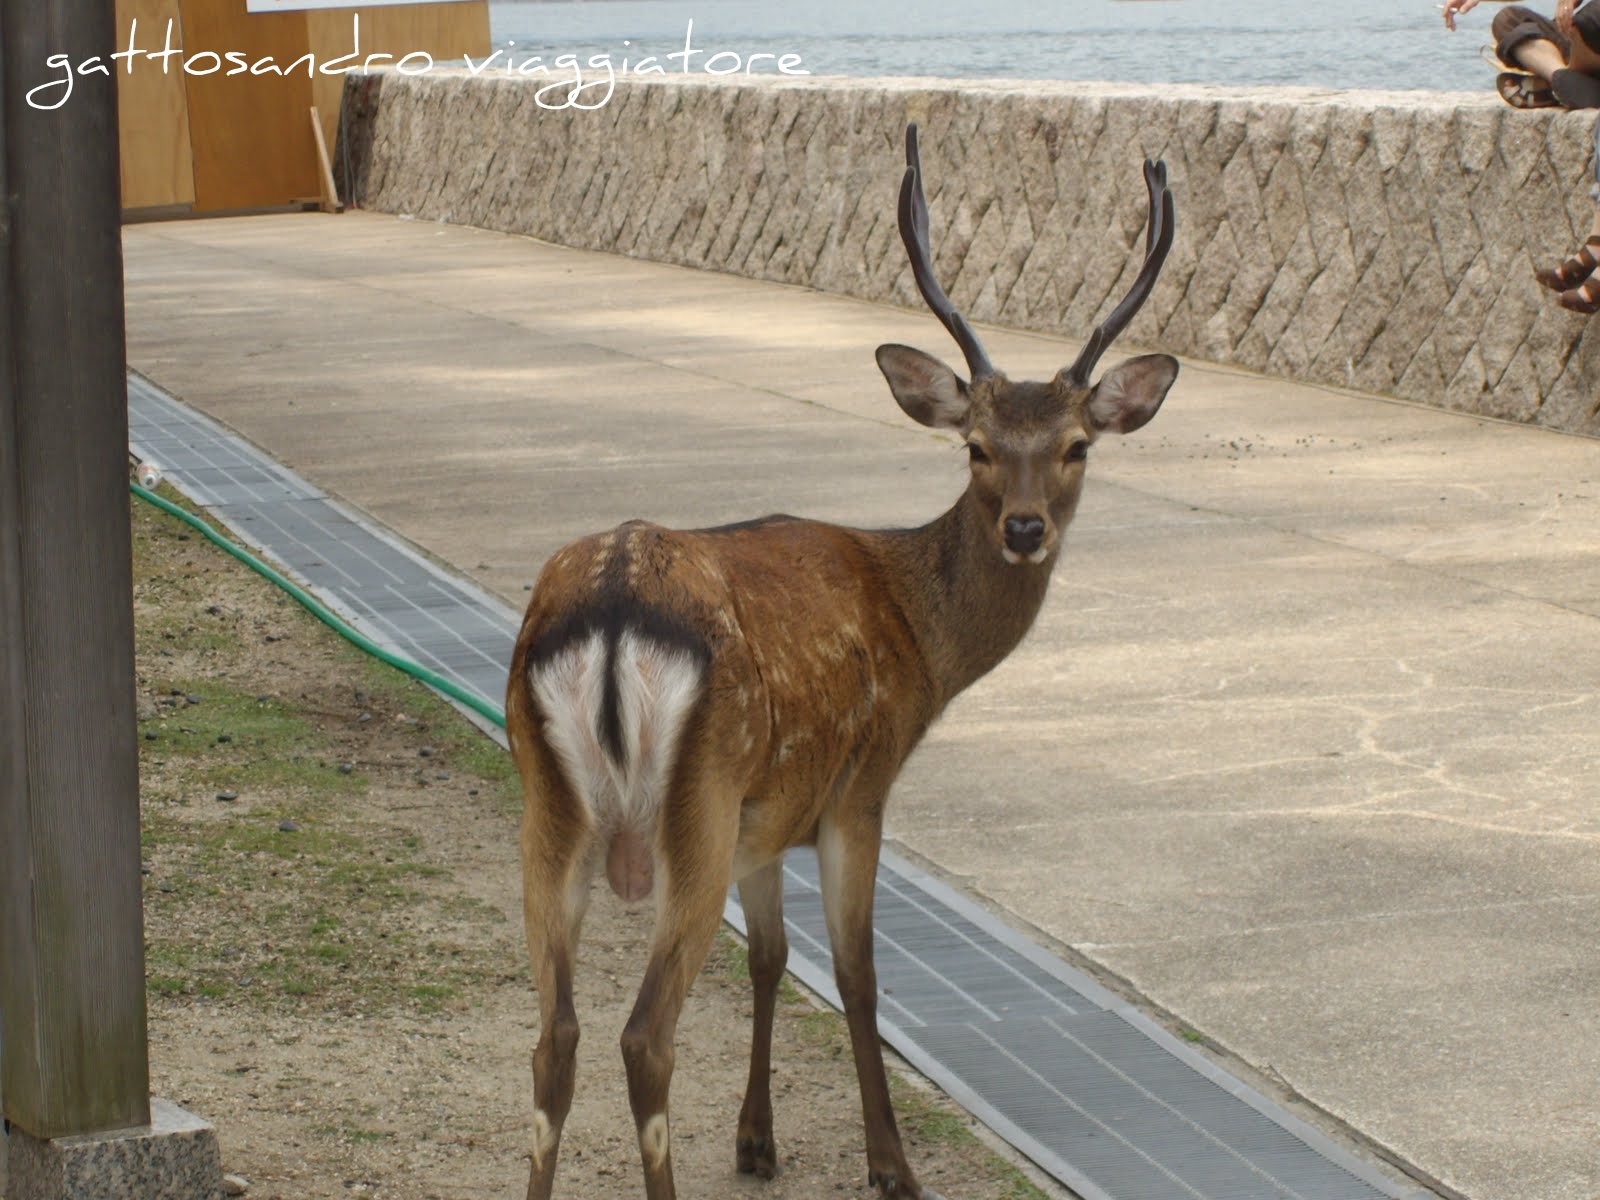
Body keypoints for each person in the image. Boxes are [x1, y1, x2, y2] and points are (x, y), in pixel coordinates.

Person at [1443, 0, 1600, 108]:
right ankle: (1561, 78)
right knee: (1508, 19)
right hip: (1583, 47)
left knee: (1591, 17)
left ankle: (1556, 88)